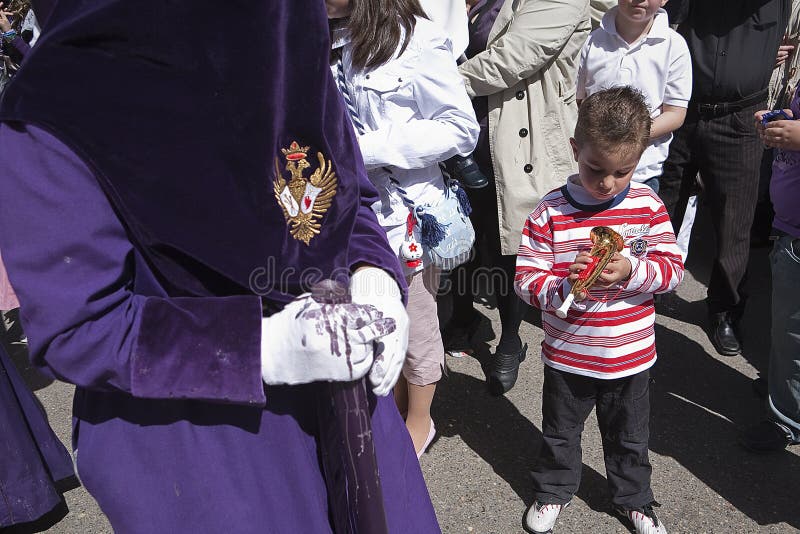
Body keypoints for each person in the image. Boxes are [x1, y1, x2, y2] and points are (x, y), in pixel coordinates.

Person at [0, 1, 441, 532]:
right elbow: (81, 326)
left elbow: (341, 188)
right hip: (196, 435)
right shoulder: (57, 100)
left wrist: (374, 273)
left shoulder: (280, 25)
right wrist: (258, 348)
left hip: (342, 387)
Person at [515, 87, 684, 534]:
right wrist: (562, 285)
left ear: (640, 158)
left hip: (628, 356)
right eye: (595, 168)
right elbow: (525, 279)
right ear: (575, 150)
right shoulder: (550, 212)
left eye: (622, 171)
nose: (607, 182)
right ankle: (553, 490)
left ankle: (636, 500)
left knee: (630, 437)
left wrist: (631, 270)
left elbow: (672, 270)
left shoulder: (646, 206)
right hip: (569, 354)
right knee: (559, 432)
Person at [328, 0, 479, 457]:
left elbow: (460, 128)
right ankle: (388, 405)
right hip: (337, 214)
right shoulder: (309, 38)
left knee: (414, 323)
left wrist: (363, 148)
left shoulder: (415, 39)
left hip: (402, 219)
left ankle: (420, 419)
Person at [446, 0, 591, 396]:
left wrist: (433, 83)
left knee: (510, 242)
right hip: (463, 128)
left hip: (517, 138)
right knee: (460, 233)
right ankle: (462, 318)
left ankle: (510, 339)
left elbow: (514, 57)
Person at [658, 0, 790, 357]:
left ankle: (724, 310)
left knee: (735, 224)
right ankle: (642, 289)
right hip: (681, 108)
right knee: (661, 208)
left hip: (740, 117)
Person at [577, 0, 692, 195]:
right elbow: (579, 101)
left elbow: (675, 114)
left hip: (643, 173)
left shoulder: (674, 45)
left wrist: (628, 139)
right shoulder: (592, 41)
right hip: (592, 172)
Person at [740, 94, 800, 453]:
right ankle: (787, 390)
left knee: (793, 334)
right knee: (787, 330)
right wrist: (783, 121)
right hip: (789, 228)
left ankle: (788, 419)